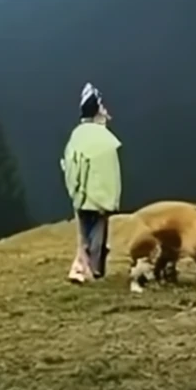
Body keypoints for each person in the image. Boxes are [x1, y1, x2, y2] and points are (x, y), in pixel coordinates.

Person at [61, 82, 122, 283]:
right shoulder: (105, 138)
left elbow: (71, 166)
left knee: (84, 235)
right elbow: (111, 172)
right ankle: (94, 270)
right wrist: (111, 199)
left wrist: (75, 190)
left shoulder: (77, 136)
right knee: (98, 234)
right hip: (100, 197)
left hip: (82, 196)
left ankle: (83, 266)